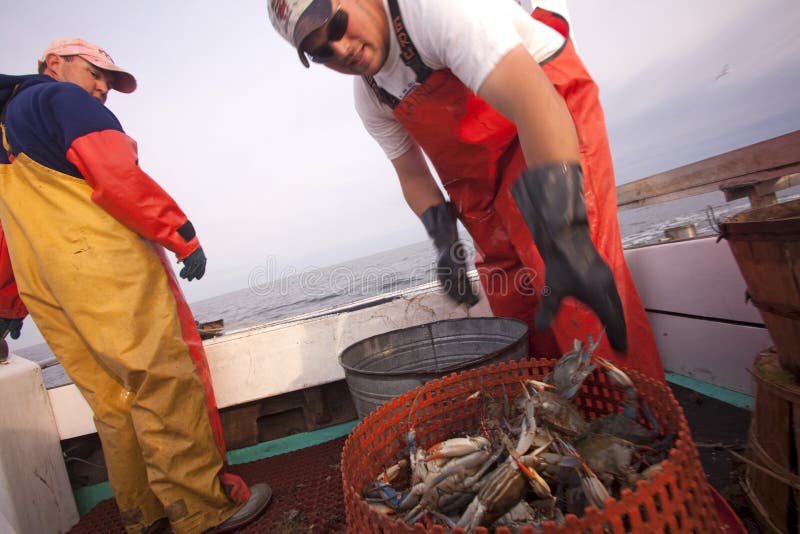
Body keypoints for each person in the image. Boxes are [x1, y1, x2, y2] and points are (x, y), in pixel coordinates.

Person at [268, 0, 665, 379]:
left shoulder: (432, 12)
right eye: (321, 53)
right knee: (514, 301)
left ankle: (641, 432)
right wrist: (446, 246)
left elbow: (535, 106)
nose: (340, 49)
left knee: (571, 285)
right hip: (478, 174)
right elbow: (413, 176)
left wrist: (568, 238)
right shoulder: (370, 94)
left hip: (545, 117)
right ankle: (566, 416)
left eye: (337, 25)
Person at [0, 38, 272, 534]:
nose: (102, 88)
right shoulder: (62, 99)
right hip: (102, 265)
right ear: (53, 64)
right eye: (96, 73)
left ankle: (143, 515)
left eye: (109, 81)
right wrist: (182, 234)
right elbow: (116, 174)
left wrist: (8, 302)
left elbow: (7, 230)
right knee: (163, 380)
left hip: (48, 286)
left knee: (112, 400)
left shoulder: (5, 131)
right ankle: (201, 510)